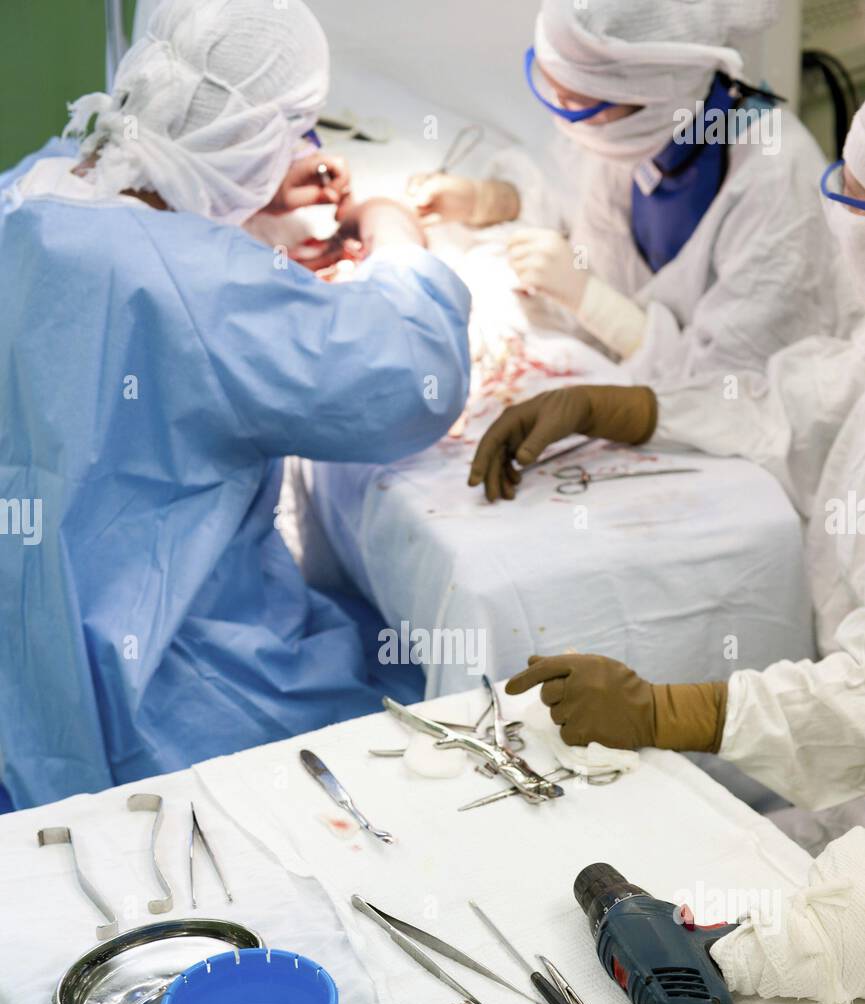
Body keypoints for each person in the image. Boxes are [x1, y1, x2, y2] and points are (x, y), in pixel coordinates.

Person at [0, 0, 471, 810]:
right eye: (296, 134)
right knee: (425, 715)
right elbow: (411, 380)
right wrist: (395, 235)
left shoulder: (28, 191)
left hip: (24, 674)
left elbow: (138, 233)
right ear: (265, 133)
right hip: (160, 692)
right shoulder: (199, 285)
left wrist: (242, 209)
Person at [468, 102, 865, 853]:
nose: (839, 221)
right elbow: (798, 407)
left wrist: (666, 712)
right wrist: (618, 406)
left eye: (851, 201)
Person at [409, 0, 849, 380]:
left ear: (653, 98)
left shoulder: (775, 182)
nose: (564, 118)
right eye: (553, 91)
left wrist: (595, 303)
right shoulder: (634, 132)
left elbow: (739, 392)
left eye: (577, 104)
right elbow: (568, 187)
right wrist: (490, 199)